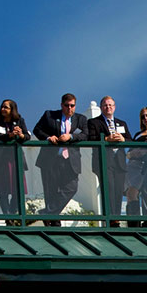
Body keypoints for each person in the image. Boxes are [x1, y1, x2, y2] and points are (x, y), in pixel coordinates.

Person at [32, 94, 88, 225]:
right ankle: (54, 224)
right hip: (51, 159)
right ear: (61, 105)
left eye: (72, 105)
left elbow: (86, 134)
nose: (69, 108)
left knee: (72, 187)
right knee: (51, 192)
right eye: (67, 105)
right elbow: (37, 130)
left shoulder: (81, 119)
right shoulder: (49, 115)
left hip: (70, 161)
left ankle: (47, 213)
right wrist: (48, 138)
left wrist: (71, 137)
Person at [89, 96, 130, 224]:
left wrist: (123, 139)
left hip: (119, 162)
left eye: (110, 105)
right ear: (101, 107)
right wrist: (107, 139)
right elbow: (91, 139)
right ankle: (110, 219)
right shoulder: (93, 122)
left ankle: (116, 219)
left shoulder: (122, 123)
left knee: (118, 191)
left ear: (114, 107)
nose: (108, 107)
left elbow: (130, 139)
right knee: (109, 190)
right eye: (105, 105)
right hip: (104, 162)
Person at [0, 99, 30, 220]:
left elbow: (27, 136)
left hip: (15, 159)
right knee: (3, 191)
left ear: (12, 109)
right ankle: (7, 217)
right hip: (1, 160)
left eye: (6, 107)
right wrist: (10, 135)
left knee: (18, 190)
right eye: (2, 107)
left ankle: (12, 214)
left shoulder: (19, 121)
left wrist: (21, 135)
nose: (3, 109)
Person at [124, 107, 147, 221]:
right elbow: (129, 152)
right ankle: (133, 223)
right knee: (130, 194)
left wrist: (144, 151)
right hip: (133, 166)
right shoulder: (138, 134)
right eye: (143, 117)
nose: (145, 119)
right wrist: (133, 154)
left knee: (137, 192)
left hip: (146, 166)